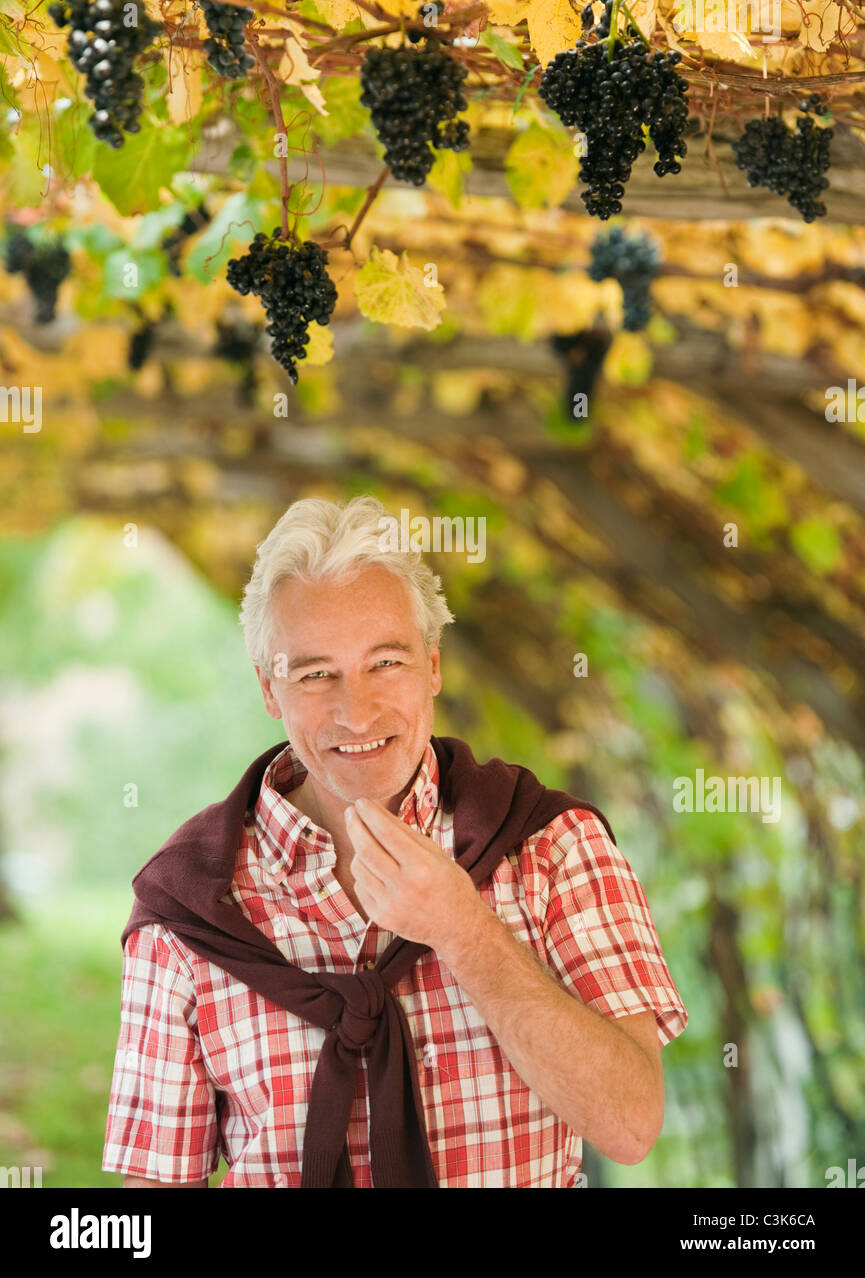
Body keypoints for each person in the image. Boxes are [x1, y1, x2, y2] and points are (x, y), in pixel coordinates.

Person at [102, 495, 687, 1188]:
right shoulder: (188, 910)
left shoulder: (555, 847)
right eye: (316, 674)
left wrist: (464, 930)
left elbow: (627, 1125)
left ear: (432, 668)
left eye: (386, 663)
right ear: (268, 688)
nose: (357, 711)